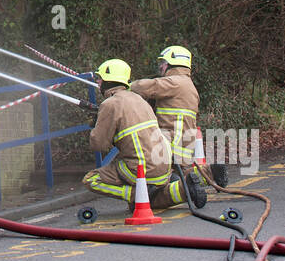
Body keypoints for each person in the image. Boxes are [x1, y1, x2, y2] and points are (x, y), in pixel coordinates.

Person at [80, 59, 205, 210]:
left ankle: (135, 196)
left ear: (109, 80)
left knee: (91, 179)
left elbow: (98, 144)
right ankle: (183, 189)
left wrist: (97, 126)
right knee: (153, 197)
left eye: (100, 79)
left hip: (141, 169)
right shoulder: (139, 99)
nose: (98, 82)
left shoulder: (109, 104)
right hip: (164, 166)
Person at [129, 45, 202, 174]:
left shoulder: (175, 82)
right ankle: (207, 175)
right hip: (182, 148)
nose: (160, 66)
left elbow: (150, 86)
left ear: (174, 64)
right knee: (182, 184)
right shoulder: (188, 85)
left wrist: (125, 86)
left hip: (171, 145)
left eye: (163, 63)